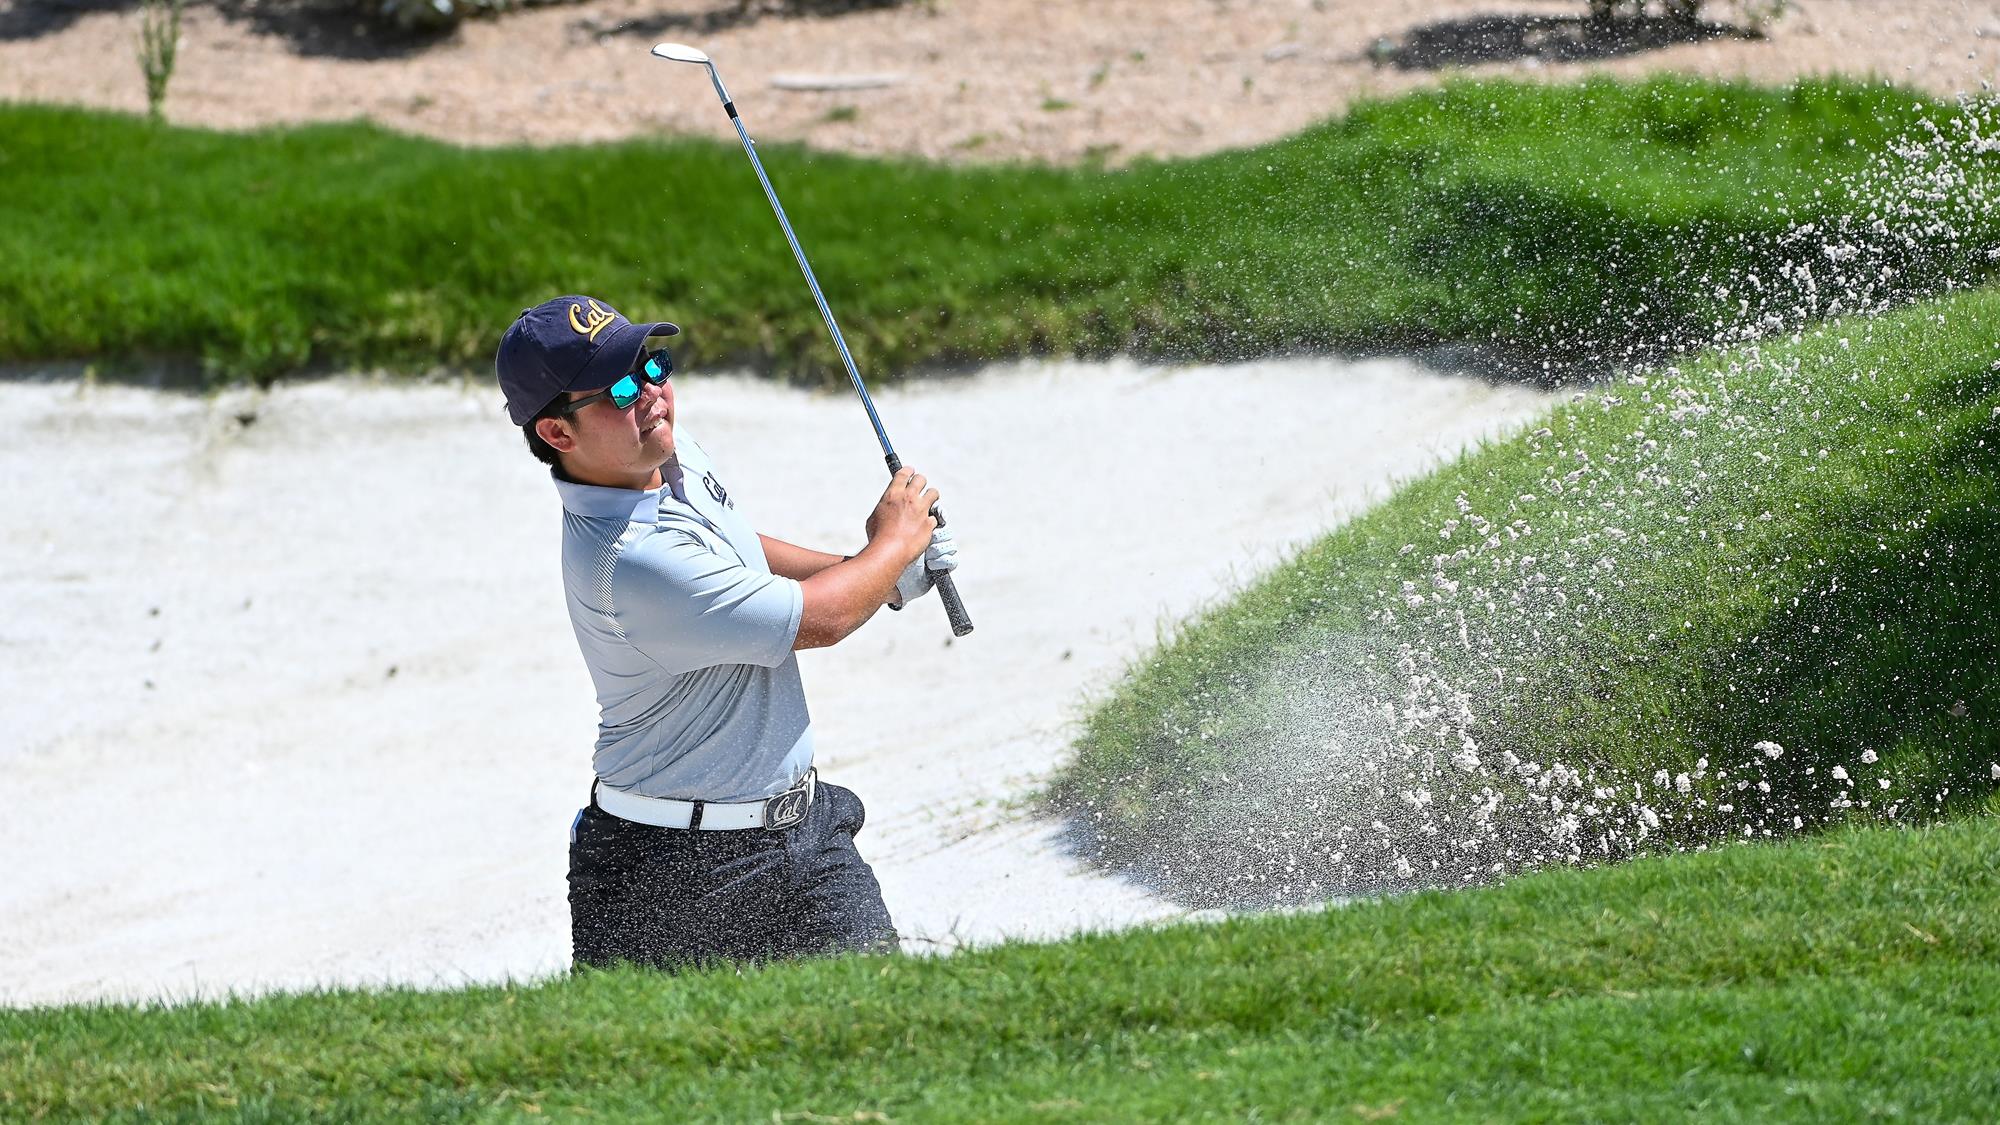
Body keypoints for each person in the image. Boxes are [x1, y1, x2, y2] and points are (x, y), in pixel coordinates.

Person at [494, 294, 956, 972]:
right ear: (559, 433)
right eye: (622, 387)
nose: (652, 392)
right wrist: (892, 543)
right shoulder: (629, 560)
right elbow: (818, 621)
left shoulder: (667, 458)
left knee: (883, 1018)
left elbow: (737, 558)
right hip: (670, 875)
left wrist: (875, 573)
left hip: (806, 832)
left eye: (654, 365)